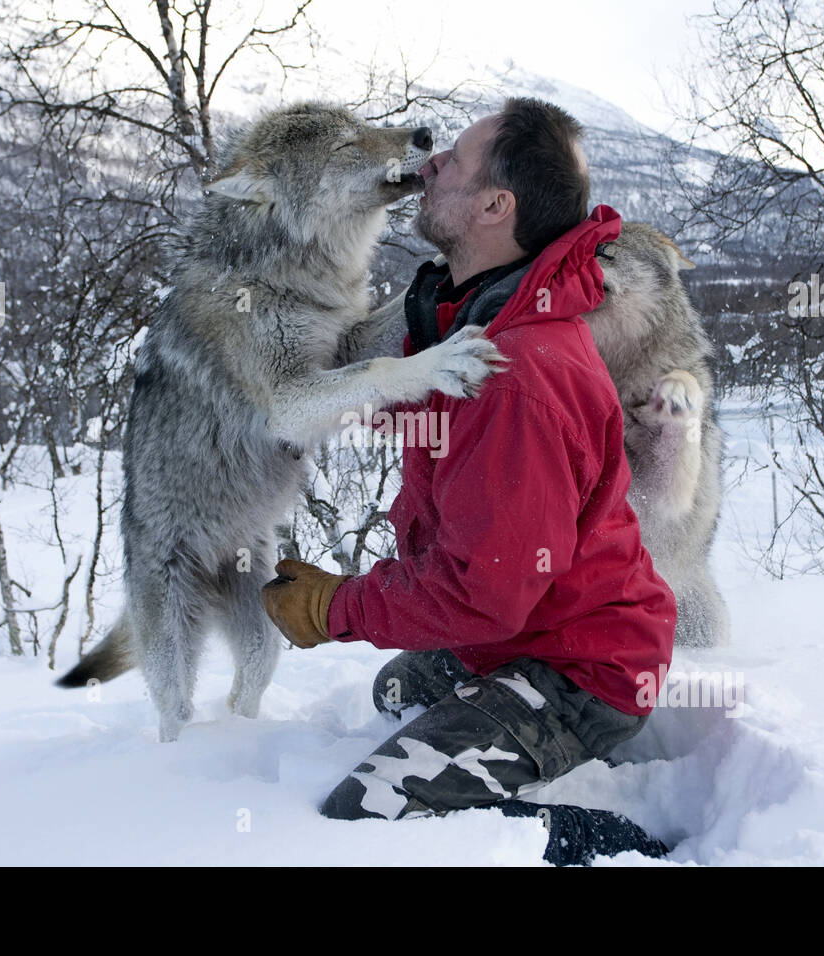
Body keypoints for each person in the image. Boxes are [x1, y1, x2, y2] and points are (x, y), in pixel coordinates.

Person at [260, 97, 676, 864]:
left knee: (373, 810)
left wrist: (333, 607)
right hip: (521, 630)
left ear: (495, 204)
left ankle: (602, 845)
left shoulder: (515, 375)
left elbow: (482, 590)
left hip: (582, 668)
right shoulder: (475, 320)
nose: (431, 165)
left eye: (452, 158)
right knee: (395, 693)